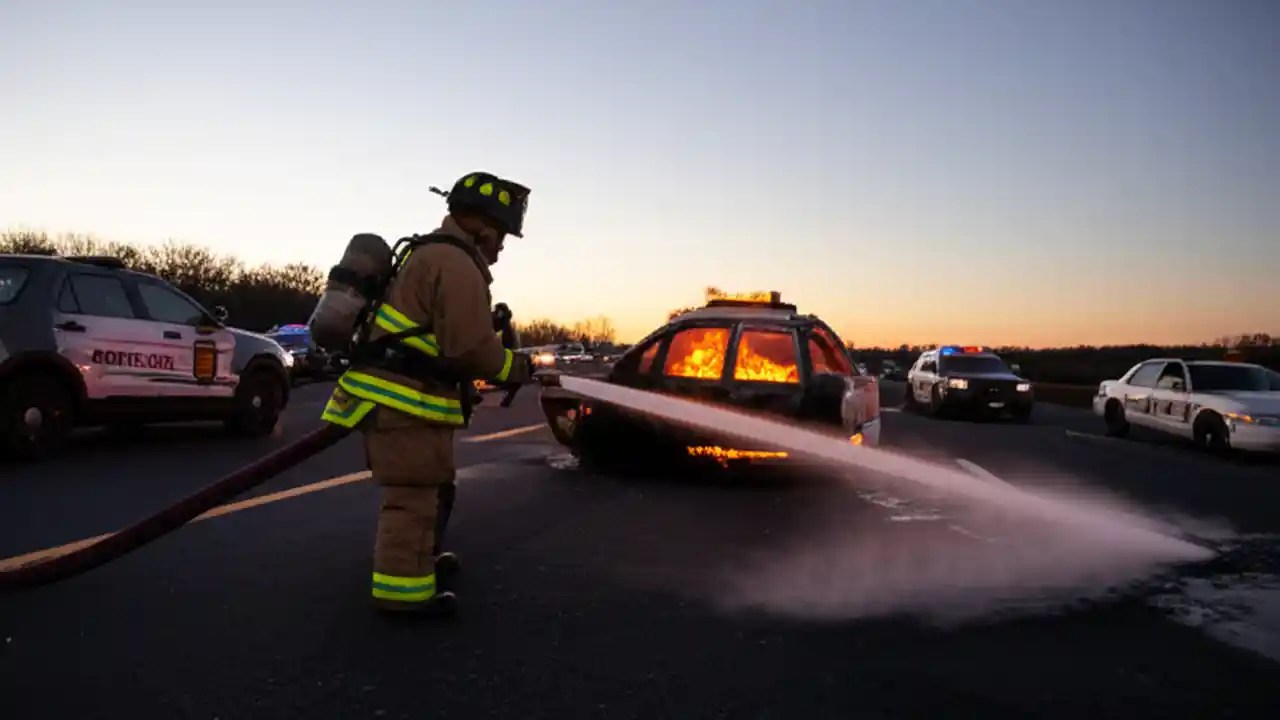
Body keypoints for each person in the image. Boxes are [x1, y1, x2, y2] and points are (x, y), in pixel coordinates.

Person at [320, 171, 535, 614]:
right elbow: (470, 348)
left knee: (433, 487)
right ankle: (403, 596)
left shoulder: (434, 254)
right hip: (403, 401)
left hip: (409, 399)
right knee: (413, 496)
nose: (501, 249)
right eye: (501, 238)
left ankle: (420, 562)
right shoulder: (455, 263)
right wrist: (518, 367)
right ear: (482, 227)